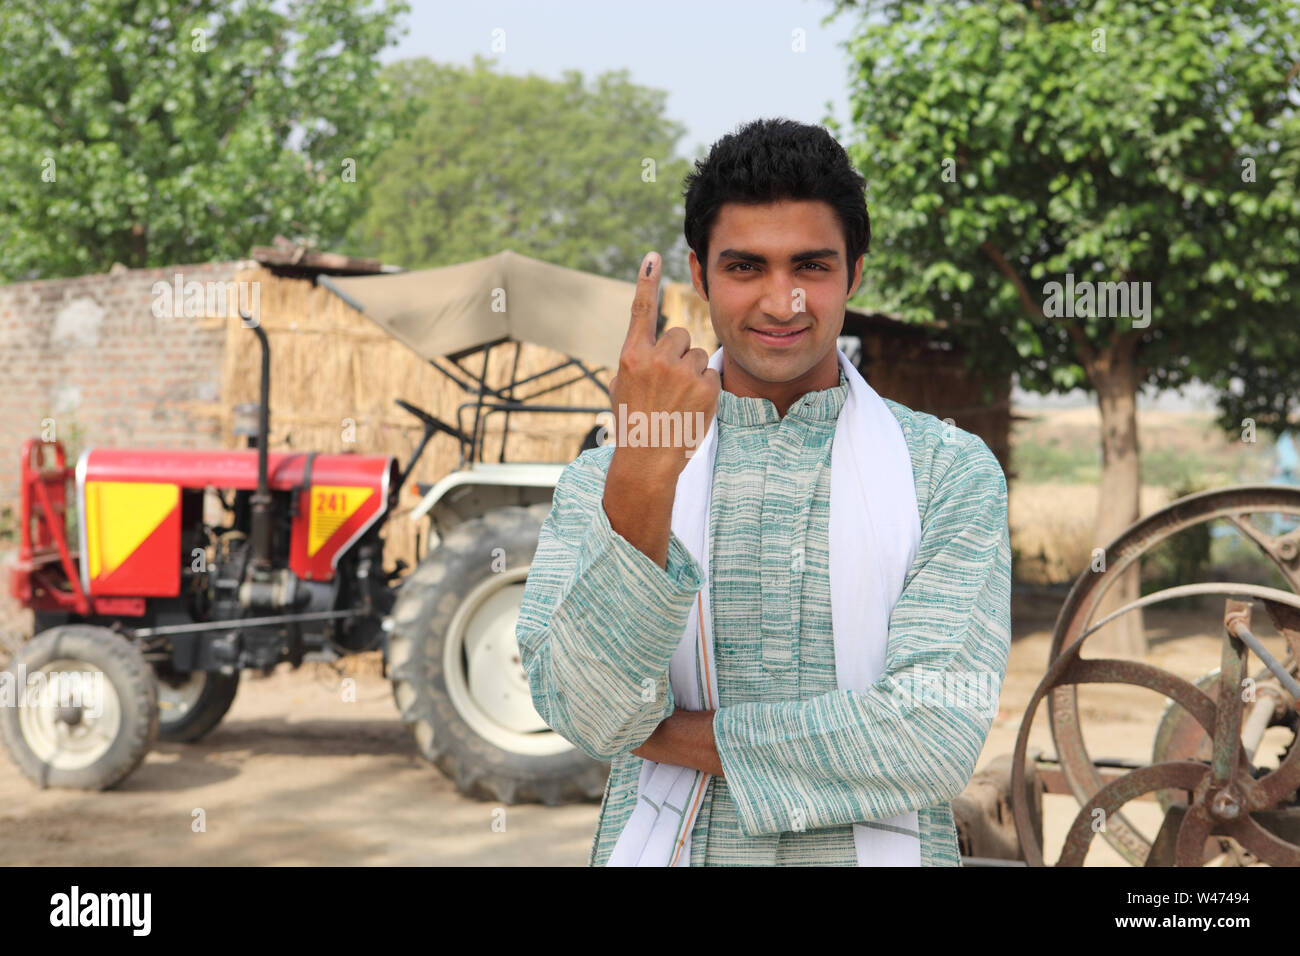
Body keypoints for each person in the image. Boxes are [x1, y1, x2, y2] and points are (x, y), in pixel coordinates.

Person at [516, 117, 1011, 866]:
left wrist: (663, 733)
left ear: (855, 273)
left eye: (811, 266)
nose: (783, 304)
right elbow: (585, 709)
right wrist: (647, 473)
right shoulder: (606, 477)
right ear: (698, 273)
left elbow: (932, 735)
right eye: (746, 268)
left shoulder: (945, 473)